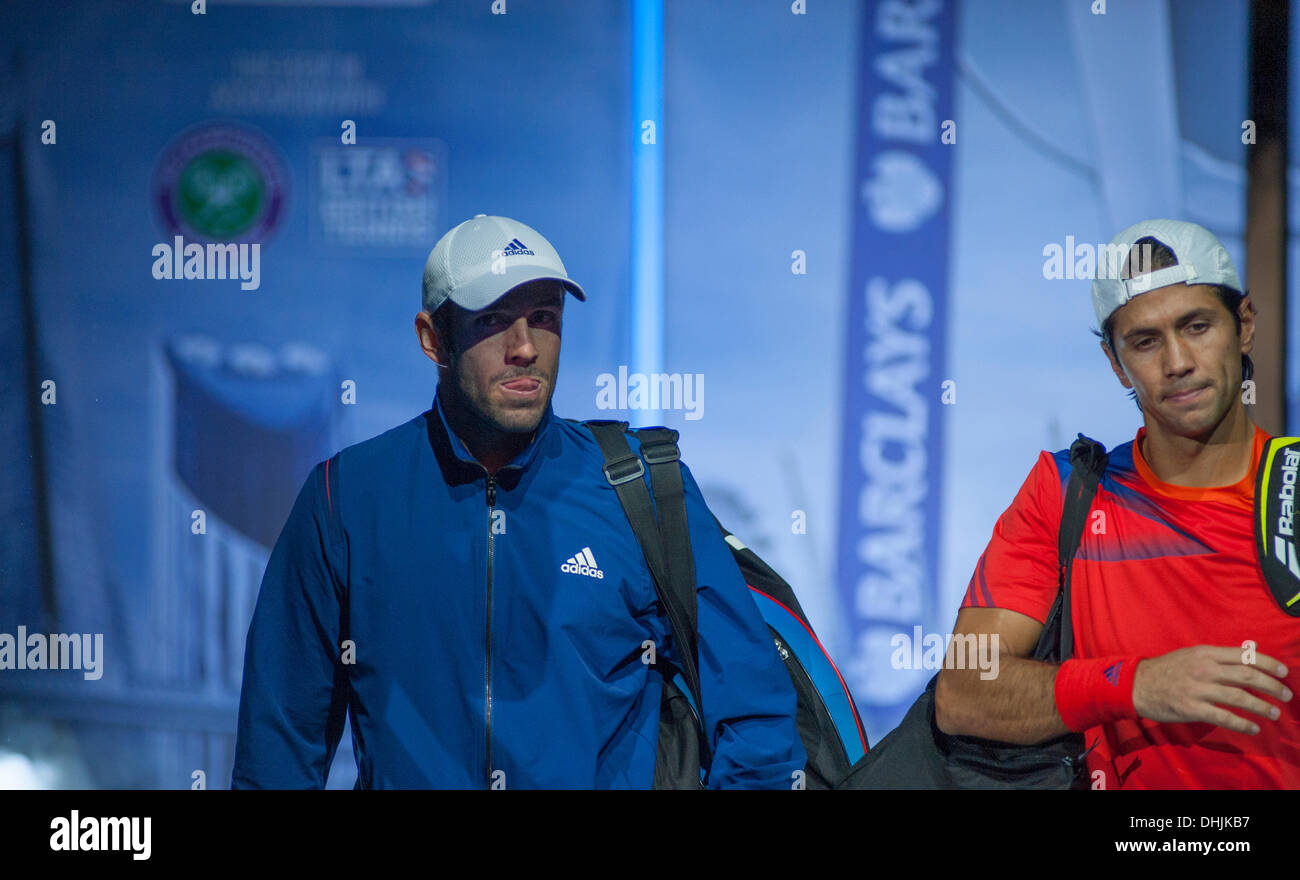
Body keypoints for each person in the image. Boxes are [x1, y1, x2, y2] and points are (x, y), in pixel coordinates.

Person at [231, 213, 805, 789]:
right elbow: (278, 747)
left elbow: (756, 717)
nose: (526, 347)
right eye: (494, 320)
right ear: (433, 339)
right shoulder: (344, 498)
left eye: (544, 318)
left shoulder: (643, 489)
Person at [934, 218, 1298, 789]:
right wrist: (1134, 685)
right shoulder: (1063, 493)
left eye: (1197, 326)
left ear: (1244, 324)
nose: (1177, 362)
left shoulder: (1294, 489)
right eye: (1145, 341)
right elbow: (962, 691)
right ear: (1113, 360)